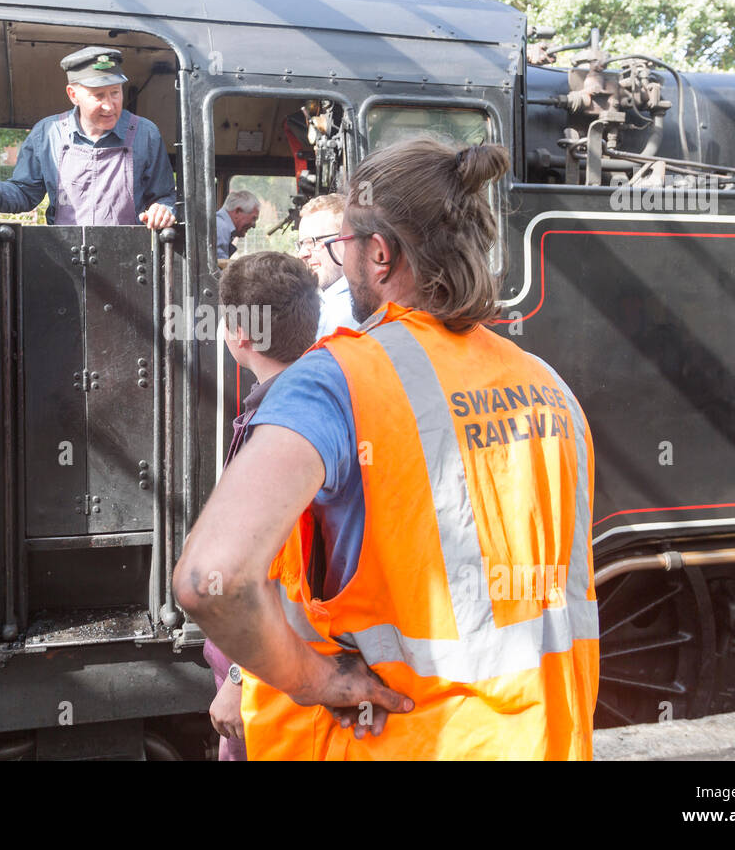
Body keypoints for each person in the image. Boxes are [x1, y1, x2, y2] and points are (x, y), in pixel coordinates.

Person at [174, 137, 598, 760]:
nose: (338, 263)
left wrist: (317, 680)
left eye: (340, 245)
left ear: (378, 253)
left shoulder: (335, 380)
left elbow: (211, 581)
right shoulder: (547, 385)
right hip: (541, 740)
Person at [203, 251, 320, 760]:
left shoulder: (279, 429)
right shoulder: (301, 403)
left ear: (240, 334)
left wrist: (237, 678)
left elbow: (278, 575)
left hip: (266, 686)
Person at [0, 46, 177, 228]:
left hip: (130, 261)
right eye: (98, 96)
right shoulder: (47, 134)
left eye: (115, 93)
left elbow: (164, 195)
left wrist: (163, 209)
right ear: (73, 94)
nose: (109, 105)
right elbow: (25, 195)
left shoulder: (146, 133)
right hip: (65, 258)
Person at [294, 193, 360, 338]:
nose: (303, 254)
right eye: (301, 244)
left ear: (346, 240)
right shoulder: (325, 303)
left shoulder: (341, 316)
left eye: (313, 242)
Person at [215, 190, 260, 259]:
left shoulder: (219, 224)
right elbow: (220, 267)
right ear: (238, 211)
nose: (254, 226)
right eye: (253, 218)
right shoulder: (221, 228)